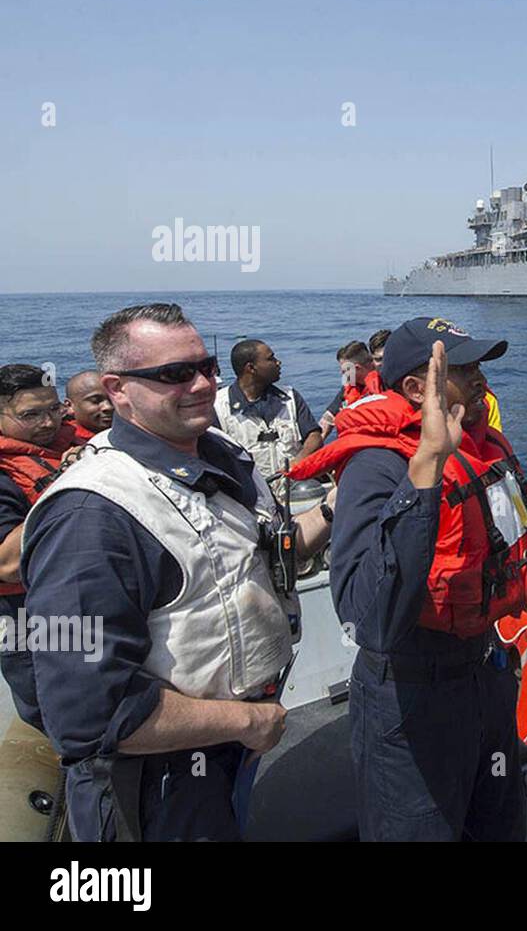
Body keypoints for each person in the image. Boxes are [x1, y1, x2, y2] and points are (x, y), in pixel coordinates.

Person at [21, 303, 335, 841]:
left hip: (228, 753)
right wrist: (247, 722)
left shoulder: (224, 456)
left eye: (207, 367)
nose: (203, 384)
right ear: (118, 389)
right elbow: (88, 714)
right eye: (174, 374)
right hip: (155, 785)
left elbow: (269, 556)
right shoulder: (90, 517)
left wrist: (338, 504)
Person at [288, 316, 527, 841]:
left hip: (486, 676)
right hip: (411, 700)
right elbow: (369, 618)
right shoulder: (377, 466)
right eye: (464, 368)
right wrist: (427, 463)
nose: (481, 380)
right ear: (414, 387)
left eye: (480, 366)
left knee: (498, 825)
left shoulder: (482, 449)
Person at [0, 364, 86, 731]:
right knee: (49, 705)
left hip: (79, 593)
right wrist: (62, 484)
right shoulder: (6, 474)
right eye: (30, 415)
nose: (48, 423)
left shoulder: (74, 445)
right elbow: (6, 565)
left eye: (53, 409)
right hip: (22, 611)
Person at [214, 339, 323, 488]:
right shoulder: (219, 406)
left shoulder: (290, 397)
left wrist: (299, 461)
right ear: (251, 368)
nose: (278, 362)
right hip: (252, 496)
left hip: (294, 489)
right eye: (270, 359)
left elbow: (314, 436)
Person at [320, 341, 382, 436]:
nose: (342, 374)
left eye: (345, 371)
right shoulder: (349, 387)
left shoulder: (384, 384)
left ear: (357, 368)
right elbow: (328, 418)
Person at [63, 369, 114, 439]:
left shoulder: (129, 432)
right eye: (95, 401)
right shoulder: (65, 442)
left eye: (112, 399)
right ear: (69, 406)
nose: (108, 407)